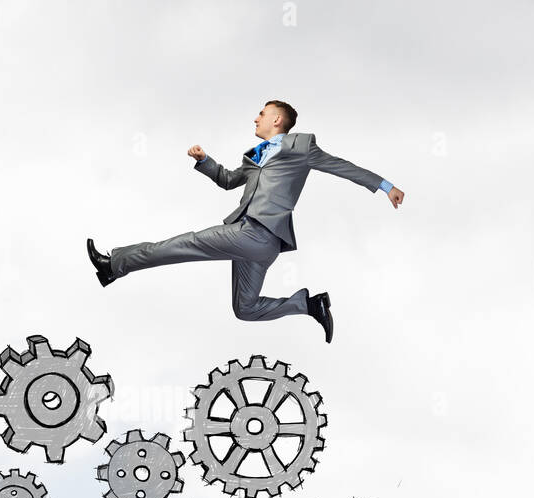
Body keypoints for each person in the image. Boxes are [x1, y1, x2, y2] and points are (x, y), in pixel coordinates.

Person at [87, 100, 403, 343]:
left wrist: (386, 187)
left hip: (256, 232)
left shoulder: (302, 147)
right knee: (245, 309)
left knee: (185, 244)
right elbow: (227, 180)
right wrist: (204, 161)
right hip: (257, 246)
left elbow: (342, 167)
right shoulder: (253, 156)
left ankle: (113, 264)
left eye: (262, 113)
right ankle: (308, 306)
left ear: (277, 119)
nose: (256, 118)